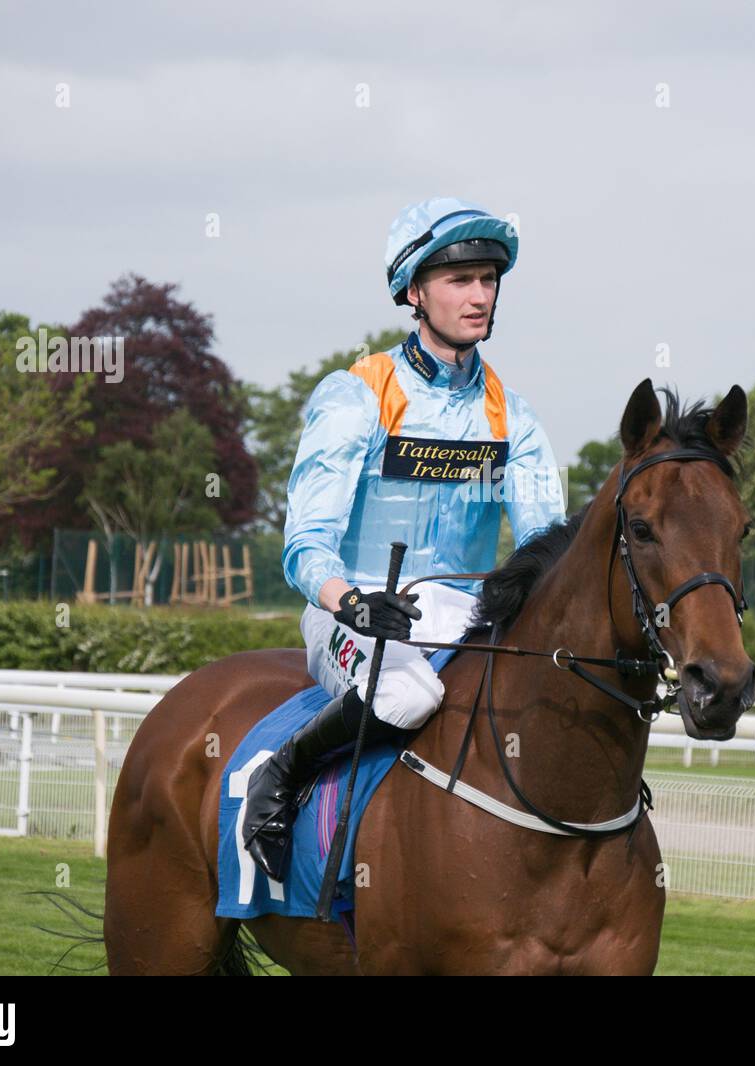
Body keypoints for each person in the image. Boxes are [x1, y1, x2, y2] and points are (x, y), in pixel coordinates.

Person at [242, 197, 567, 880]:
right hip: (355, 612)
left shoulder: (516, 419)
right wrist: (351, 601)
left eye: (488, 280)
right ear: (415, 292)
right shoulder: (356, 395)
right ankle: (283, 773)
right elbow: (304, 541)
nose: (479, 296)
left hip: (462, 618)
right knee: (406, 698)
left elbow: (546, 550)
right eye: (460, 281)